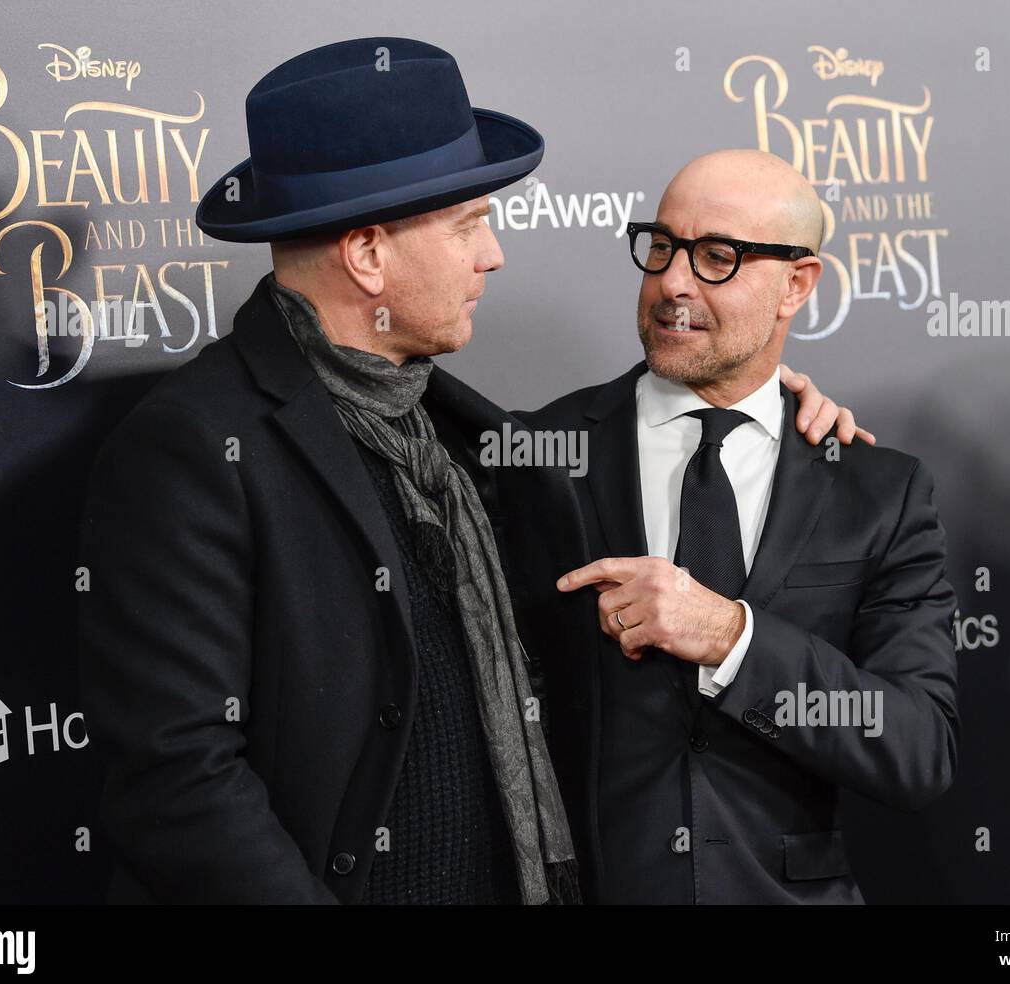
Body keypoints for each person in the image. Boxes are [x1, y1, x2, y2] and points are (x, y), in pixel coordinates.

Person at [77, 39, 863, 905]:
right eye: (468, 225)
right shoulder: (195, 447)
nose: (492, 255)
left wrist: (757, 409)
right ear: (369, 254)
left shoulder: (461, 435)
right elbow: (177, 783)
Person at [523, 149, 960, 904]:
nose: (673, 282)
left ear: (798, 284)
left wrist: (734, 637)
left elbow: (917, 748)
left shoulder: (877, 491)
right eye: (661, 247)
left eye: (718, 257)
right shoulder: (533, 457)